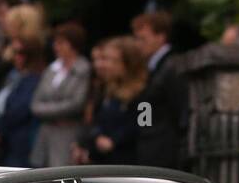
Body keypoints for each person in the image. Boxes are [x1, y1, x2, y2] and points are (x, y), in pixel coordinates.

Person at [131, 10, 188, 169]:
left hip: (165, 149)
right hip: (152, 145)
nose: (138, 44)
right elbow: (147, 108)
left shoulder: (171, 67)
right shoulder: (153, 68)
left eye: (143, 39)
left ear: (160, 37)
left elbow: (178, 109)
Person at [75, 36, 145, 166]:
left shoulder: (144, 92)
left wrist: (115, 140)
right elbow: (99, 121)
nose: (107, 66)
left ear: (129, 63)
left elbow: (144, 125)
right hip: (103, 162)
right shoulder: (108, 88)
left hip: (128, 164)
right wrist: (95, 139)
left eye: (114, 61)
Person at [29, 20, 91, 167]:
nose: (56, 47)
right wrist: (51, 111)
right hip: (45, 132)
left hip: (66, 132)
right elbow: (35, 102)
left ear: (73, 44)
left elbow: (76, 103)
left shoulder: (83, 69)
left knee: (59, 175)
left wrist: (45, 110)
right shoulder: (52, 69)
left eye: (61, 43)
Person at [0, 35, 45, 167]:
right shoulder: (15, 76)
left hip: (20, 142)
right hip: (8, 140)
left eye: (20, 53)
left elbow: (19, 109)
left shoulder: (34, 79)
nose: (15, 57)